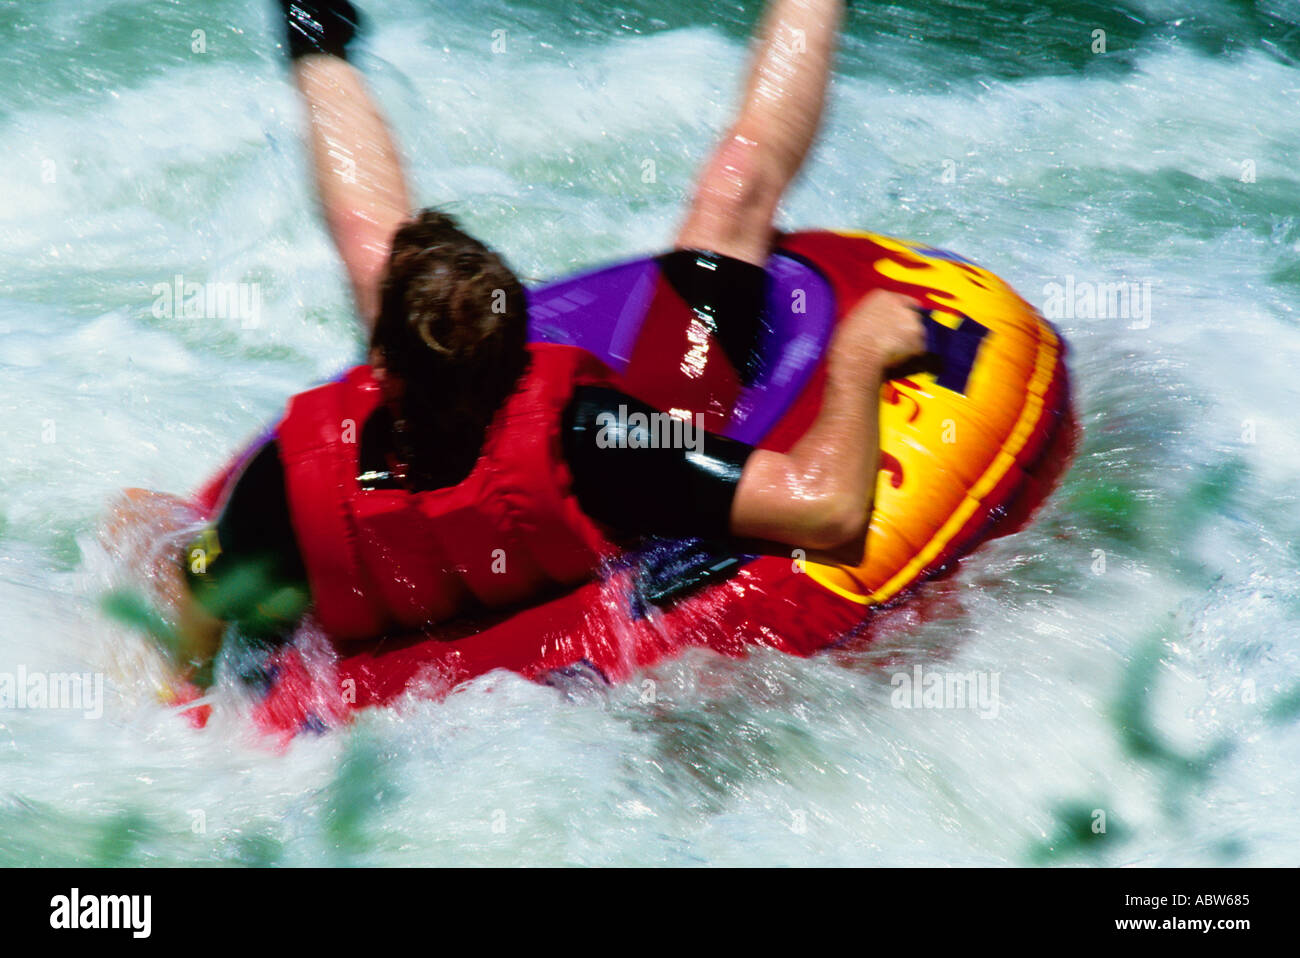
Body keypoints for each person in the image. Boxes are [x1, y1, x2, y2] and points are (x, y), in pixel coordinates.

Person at [106, 0, 925, 687]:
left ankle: (313, 37)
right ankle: (318, 40)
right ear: (523, 351)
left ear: (377, 367)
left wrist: (189, 693)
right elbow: (825, 509)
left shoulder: (289, 480)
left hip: (434, 558)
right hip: (603, 482)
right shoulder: (595, 437)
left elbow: (197, 624)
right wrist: (859, 357)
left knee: (366, 249)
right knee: (735, 189)